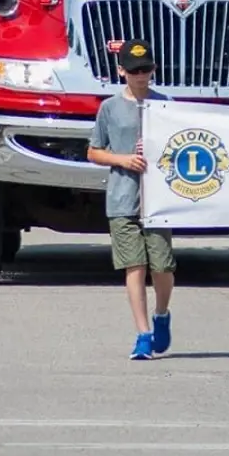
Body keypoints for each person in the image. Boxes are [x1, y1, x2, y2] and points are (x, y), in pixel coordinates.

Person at [86, 40, 174, 361]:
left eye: (146, 69)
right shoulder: (109, 108)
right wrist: (123, 159)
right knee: (134, 266)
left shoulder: (165, 105)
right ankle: (142, 335)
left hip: (158, 201)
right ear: (121, 71)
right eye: (134, 70)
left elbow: (178, 145)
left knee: (162, 266)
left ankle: (161, 313)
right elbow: (94, 151)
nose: (140, 76)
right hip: (122, 199)